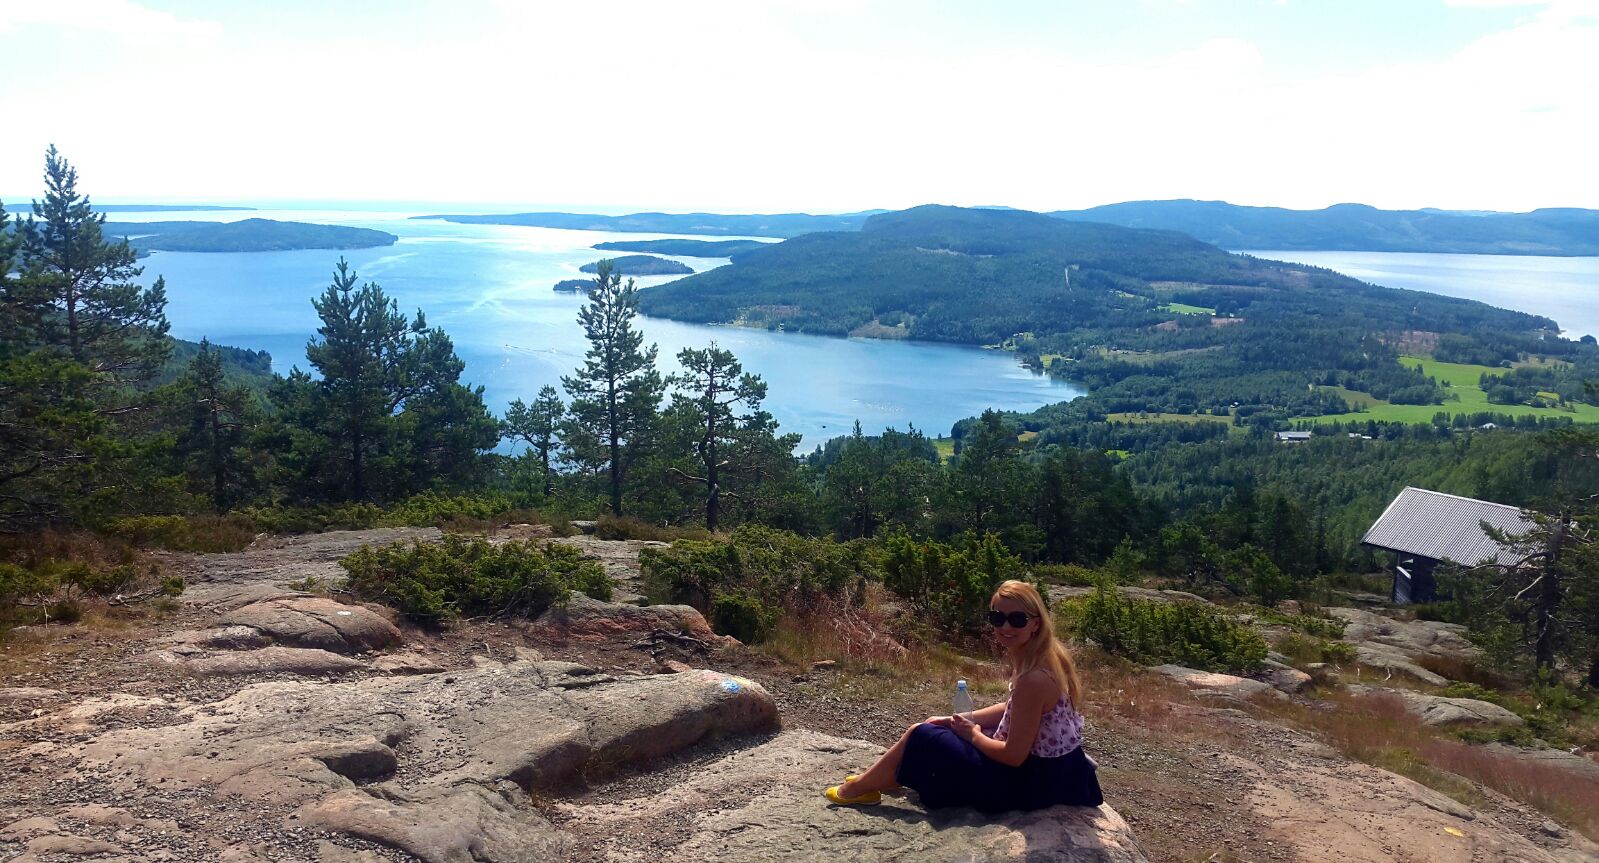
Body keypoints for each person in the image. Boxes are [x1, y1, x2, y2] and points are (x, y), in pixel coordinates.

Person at [824, 579, 1103, 812]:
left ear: (1035, 624)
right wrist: (957, 720)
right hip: (1057, 773)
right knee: (936, 725)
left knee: (922, 735)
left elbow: (1014, 756)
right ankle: (877, 779)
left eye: (1017, 619)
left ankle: (859, 789)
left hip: (1028, 783)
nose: (1005, 627)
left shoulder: (1033, 678)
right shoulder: (1048, 656)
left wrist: (972, 734)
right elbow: (1017, 709)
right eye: (997, 617)